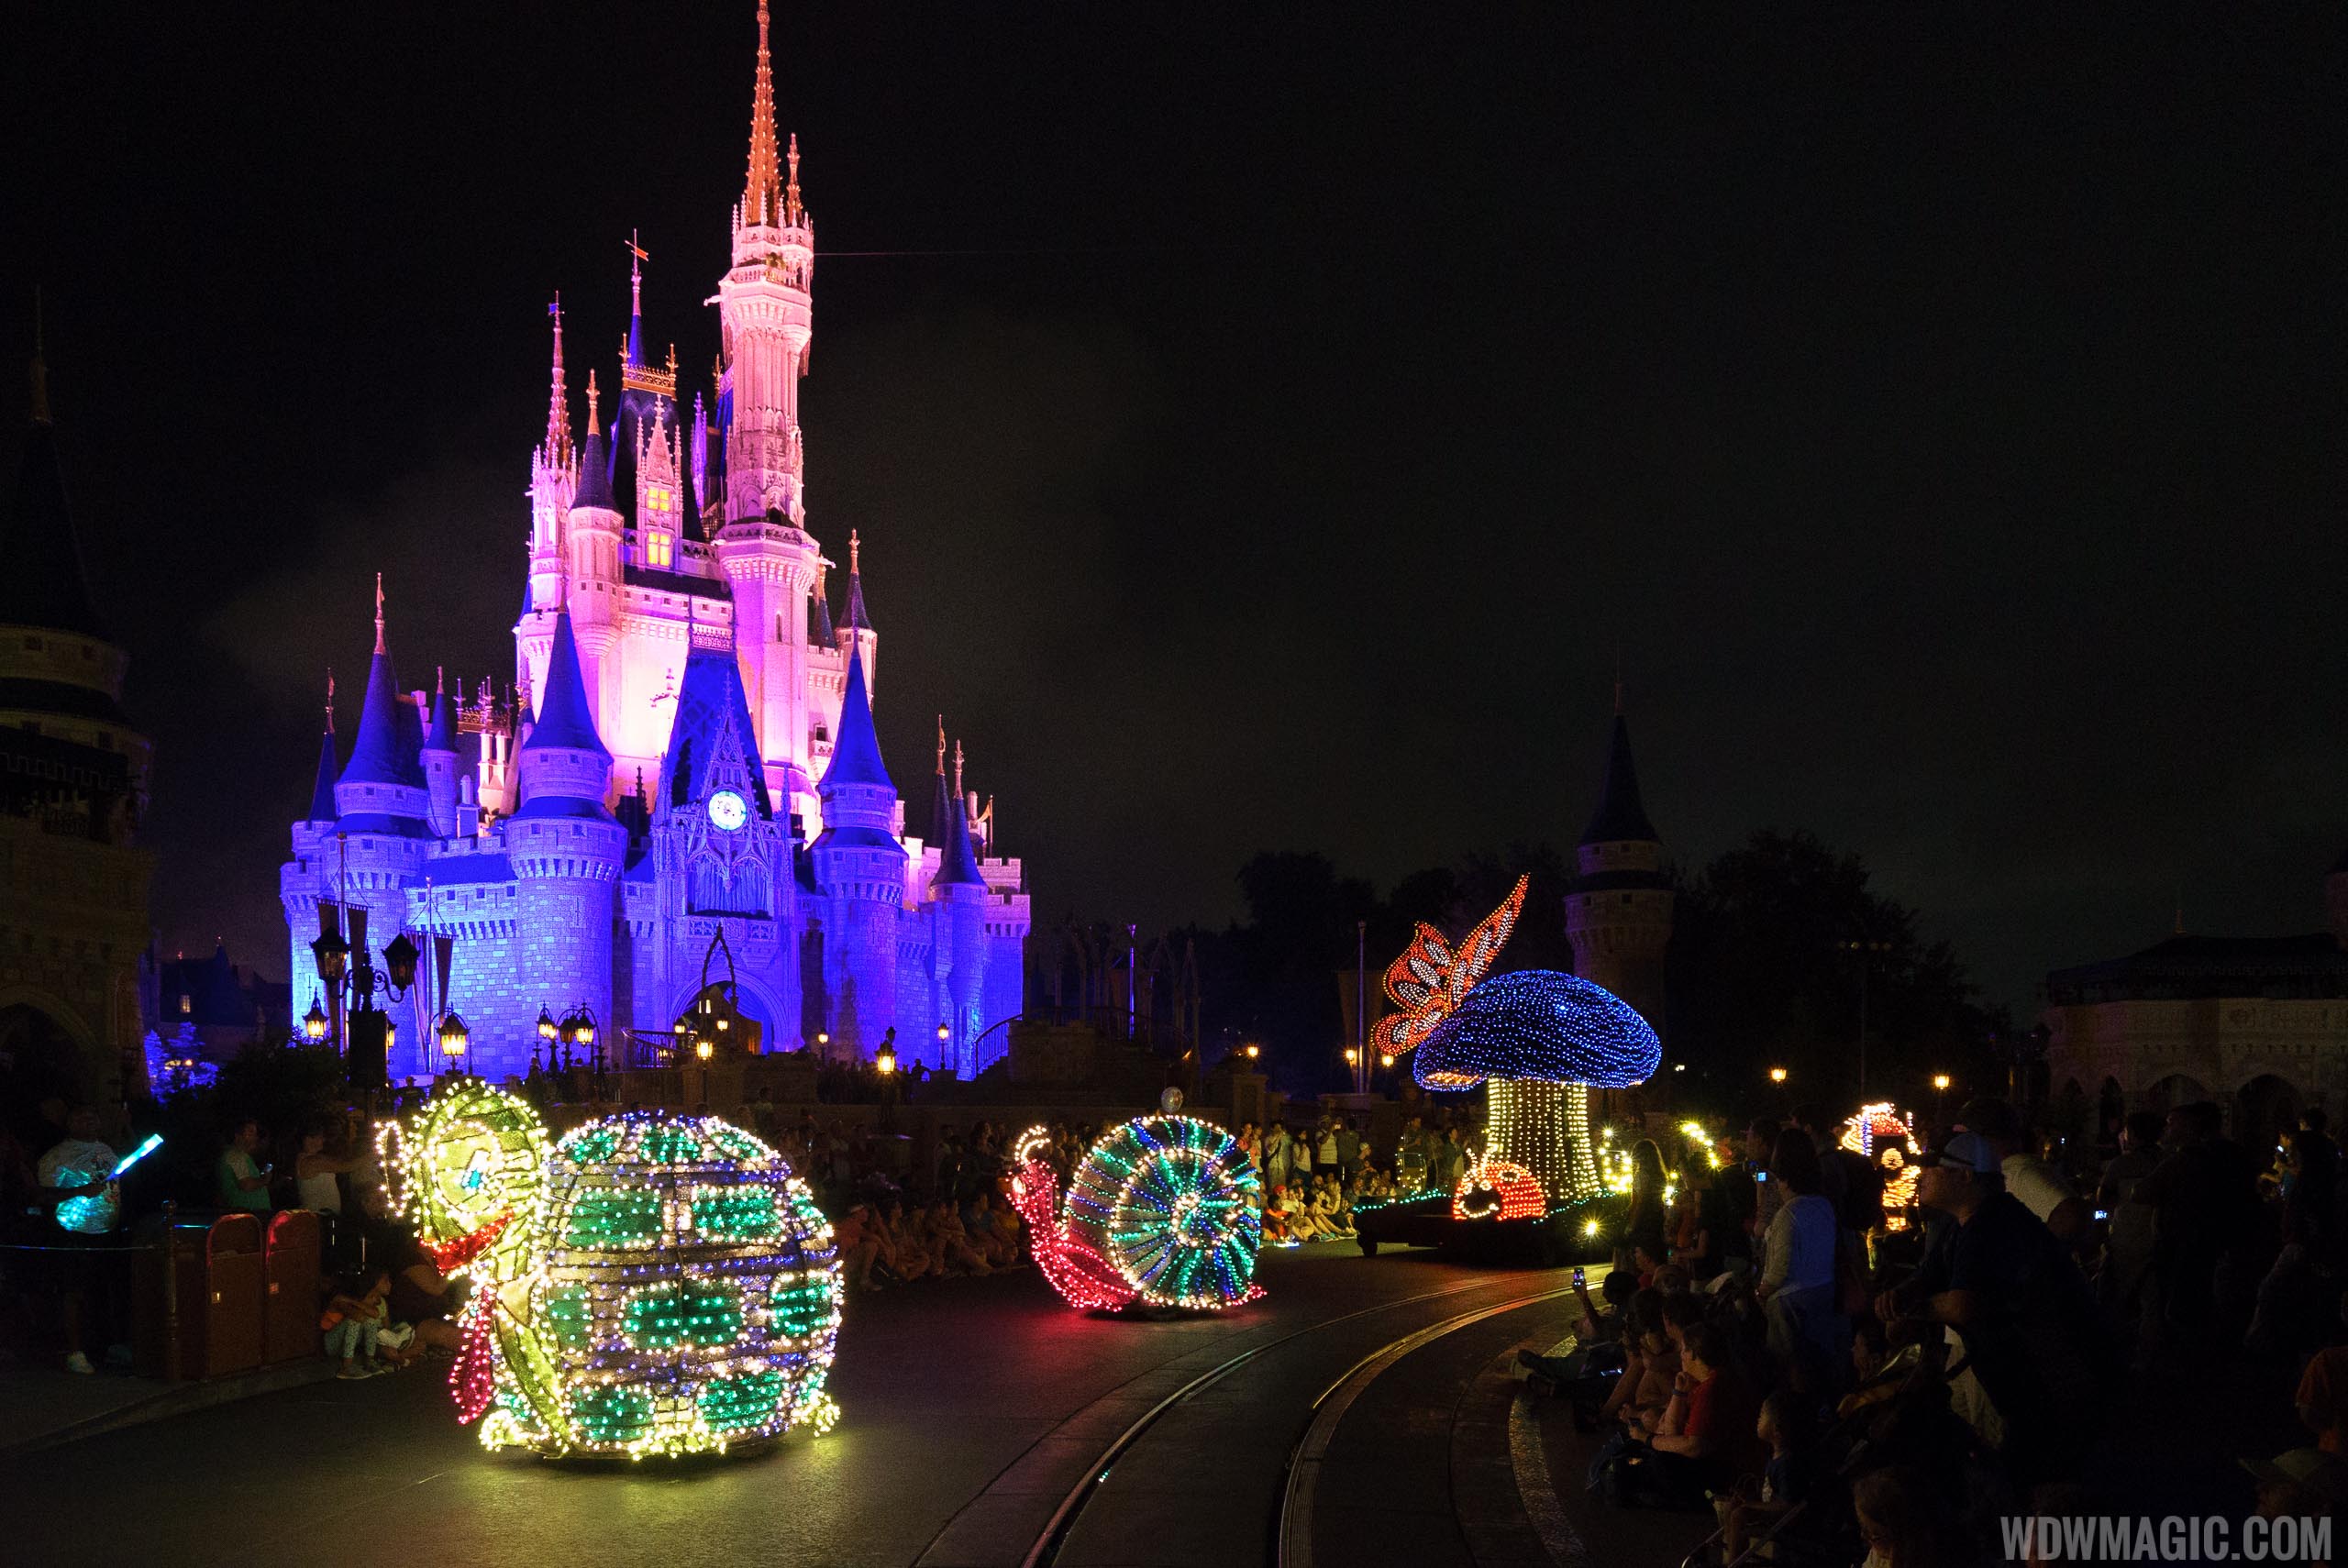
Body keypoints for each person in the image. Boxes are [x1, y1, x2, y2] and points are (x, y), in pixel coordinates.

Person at [1875, 1131, 2104, 1492]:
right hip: (2030, 1376)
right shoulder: (1963, 1224)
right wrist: (1900, 1296)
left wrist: (1913, 1311)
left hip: (2049, 1378)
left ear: (1965, 1176)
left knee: (2036, 1475)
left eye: (1937, 1168)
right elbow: (1929, 1275)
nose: (1924, 1175)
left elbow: (1963, 1305)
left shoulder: (1994, 1222)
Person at [33, 1107, 127, 1374]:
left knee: (104, 1290)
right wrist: (79, 1191)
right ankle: (75, 1351)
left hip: (108, 1230)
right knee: (74, 1291)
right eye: (81, 1118)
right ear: (70, 1124)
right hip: (74, 1231)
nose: (89, 1121)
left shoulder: (106, 1150)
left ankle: (105, 1347)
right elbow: (43, 1195)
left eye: (93, 1117)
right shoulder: (58, 1156)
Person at [1756, 1126, 1842, 1390]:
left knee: (1790, 1372)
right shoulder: (1823, 1205)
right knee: (1818, 1367)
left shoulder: (1789, 1213)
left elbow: (1779, 1270)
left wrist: (1761, 1292)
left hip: (1790, 1305)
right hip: (1823, 1293)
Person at [1965, 1098, 2090, 1248]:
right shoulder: (2005, 1171)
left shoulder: (2020, 1172)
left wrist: (2031, 1254)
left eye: (1964, 1139)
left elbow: (2072, 1215)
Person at [321, 1267, 408, 1378]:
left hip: (345, 1344)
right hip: (331, 1343)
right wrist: (357, 1303)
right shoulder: (340, 1300)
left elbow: (375, 1314)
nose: (375, 1300)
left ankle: (369, 1362)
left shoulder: (356, 1301)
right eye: (372, 1296)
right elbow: (358, 1317)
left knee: (371, 1321)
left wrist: (357, 1303)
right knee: (354, 1322)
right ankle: (346, 1367)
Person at [217, 1119, 272, 1214]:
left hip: (251, 1213)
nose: (255, 1137)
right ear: (238, 1136)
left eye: (255, 1133)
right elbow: (246, 1185)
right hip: (248, 1213)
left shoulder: (241, 1156)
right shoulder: (235, 1156)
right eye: (250, 1133)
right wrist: (265, 1179)